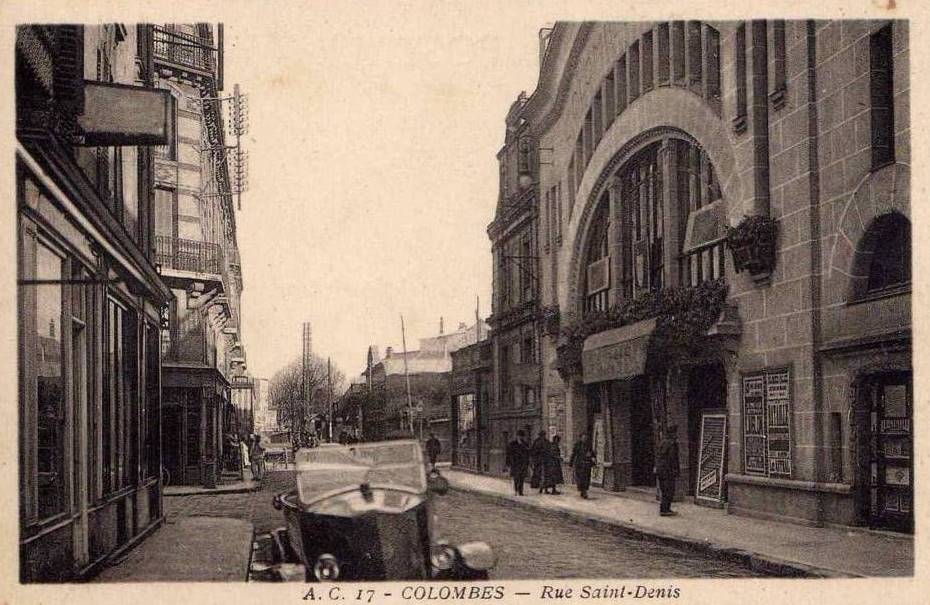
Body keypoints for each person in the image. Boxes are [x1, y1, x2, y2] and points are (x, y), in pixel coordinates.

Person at [655, 425, 680, 516]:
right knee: (669, 490)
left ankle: (664, 508)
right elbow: (672, 458)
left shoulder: (662, 442)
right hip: (668, 471)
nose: (676, 435)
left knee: (664, 490)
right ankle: (665, 509)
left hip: (661, 470)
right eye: (675, 433)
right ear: (672, 434)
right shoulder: (671, 444)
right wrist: (675, 470)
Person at [569, 432, 597, 499]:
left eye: (586, 438)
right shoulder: (577, 445)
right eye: (584, 437)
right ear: (580, 438)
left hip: (587, 464)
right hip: (579, 464)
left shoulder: (588, 445)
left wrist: (593, 457)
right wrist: (570, 464)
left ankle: (584, 491)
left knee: (586, 478)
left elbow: (592, 453)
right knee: (580, 478)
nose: (585, 439)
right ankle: (582, 490)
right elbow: (573, 454)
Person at [505, 430, 531, 496]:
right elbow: (508, 454)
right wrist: (508, 463)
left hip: (523, 463)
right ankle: (516, 490)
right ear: (517, 436)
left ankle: (521, 491)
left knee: (522, 477)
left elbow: (528, 454)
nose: (520, 437)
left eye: (522, 436)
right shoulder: (512, 444)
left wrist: (528, 463)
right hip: (515, 463)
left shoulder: (525, 444)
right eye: (519, 436)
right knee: (516, 477)